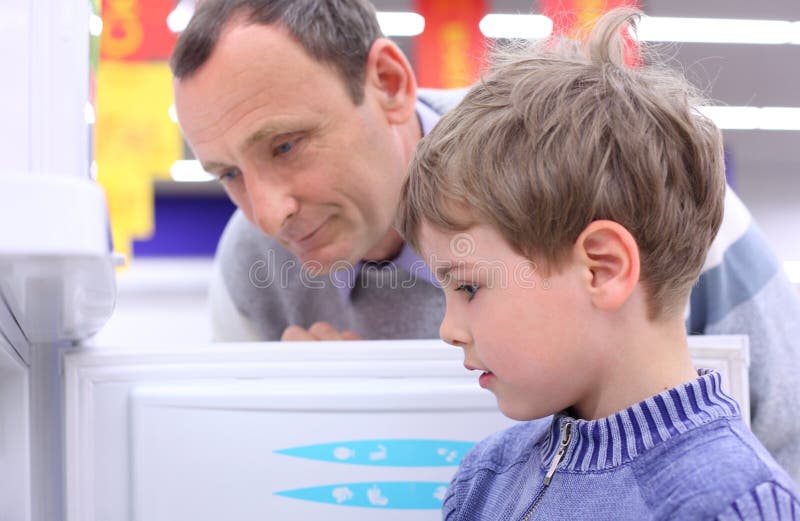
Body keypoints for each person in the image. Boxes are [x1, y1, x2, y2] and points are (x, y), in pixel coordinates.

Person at [170, 0, 800, 484]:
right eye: (227, 173)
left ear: (389, 82)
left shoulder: (605, 168)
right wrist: (298, 418)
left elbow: (788, 442)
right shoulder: (247, 266)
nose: (269, 212)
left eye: (286, 145)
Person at [396, 9, 800, 519]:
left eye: (469, 288)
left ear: (602, 268)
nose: (449, 330)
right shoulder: (485, 481)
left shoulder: (731, 503)